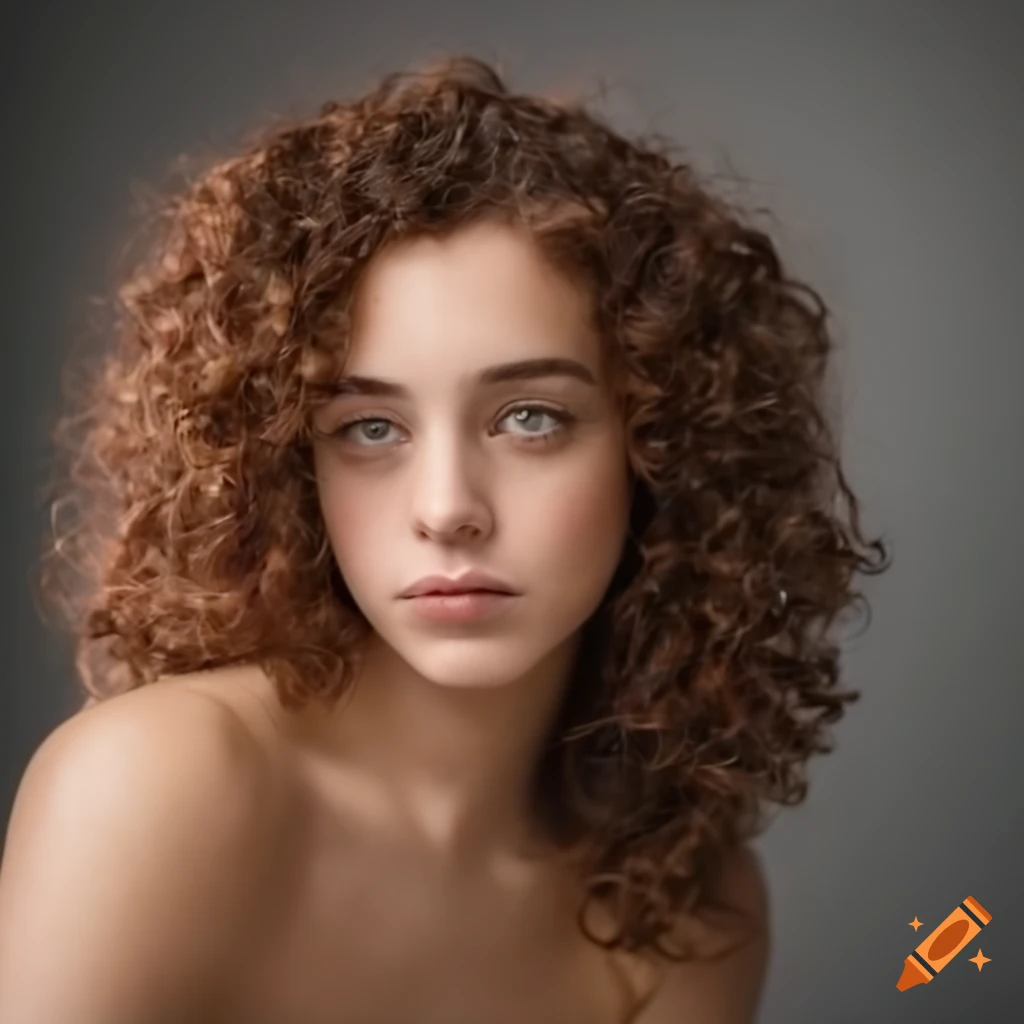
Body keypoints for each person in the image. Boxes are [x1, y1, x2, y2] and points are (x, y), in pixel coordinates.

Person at [0, 54, 890, 1023]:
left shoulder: (685, 910)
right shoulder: (155, 787)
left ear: (663, 448)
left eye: (530, 419)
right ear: (291, 467)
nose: (447, 507)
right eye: (370, 428)